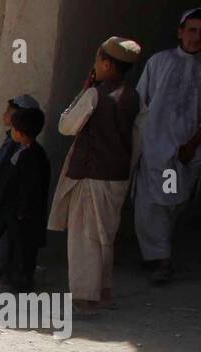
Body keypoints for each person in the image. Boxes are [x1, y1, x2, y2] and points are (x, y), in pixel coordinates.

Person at [48, 38, 142, 317]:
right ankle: (103, 292)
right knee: (104, 236)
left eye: (96, 61)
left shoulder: (94, 95)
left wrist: (85, 90)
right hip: (117, 178)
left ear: (105, 63)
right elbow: (139, 138)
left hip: (91, 177)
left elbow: (67, 126)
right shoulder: (135, 96)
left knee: (85, 237)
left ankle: (85, 298)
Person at [133, 6, 201, 284]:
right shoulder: (158, 62)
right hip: (154, 145)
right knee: (150, 204)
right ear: (180, 32)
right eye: (192, 30)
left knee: (175, 201)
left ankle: (157, 254)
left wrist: (193, 144)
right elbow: (140, 102)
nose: (198, 36)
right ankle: (162, 260)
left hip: (186, 149)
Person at [0, 94, 41, 284]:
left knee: (6, 237)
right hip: (1, 199)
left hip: (10, 203)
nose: (5, 115)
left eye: (9, 113)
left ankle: (3, 271)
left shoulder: (23, 149)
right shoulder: (10, 140)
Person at [0, 106, 51, 293]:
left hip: (25, 214)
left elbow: (31, 187)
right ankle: (11, 277)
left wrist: (22, 210)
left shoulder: (34, 156)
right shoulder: (22, 151)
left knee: (25, 251)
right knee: (15, 247)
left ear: (21, 132)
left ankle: (22, 282)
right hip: (15, 212)